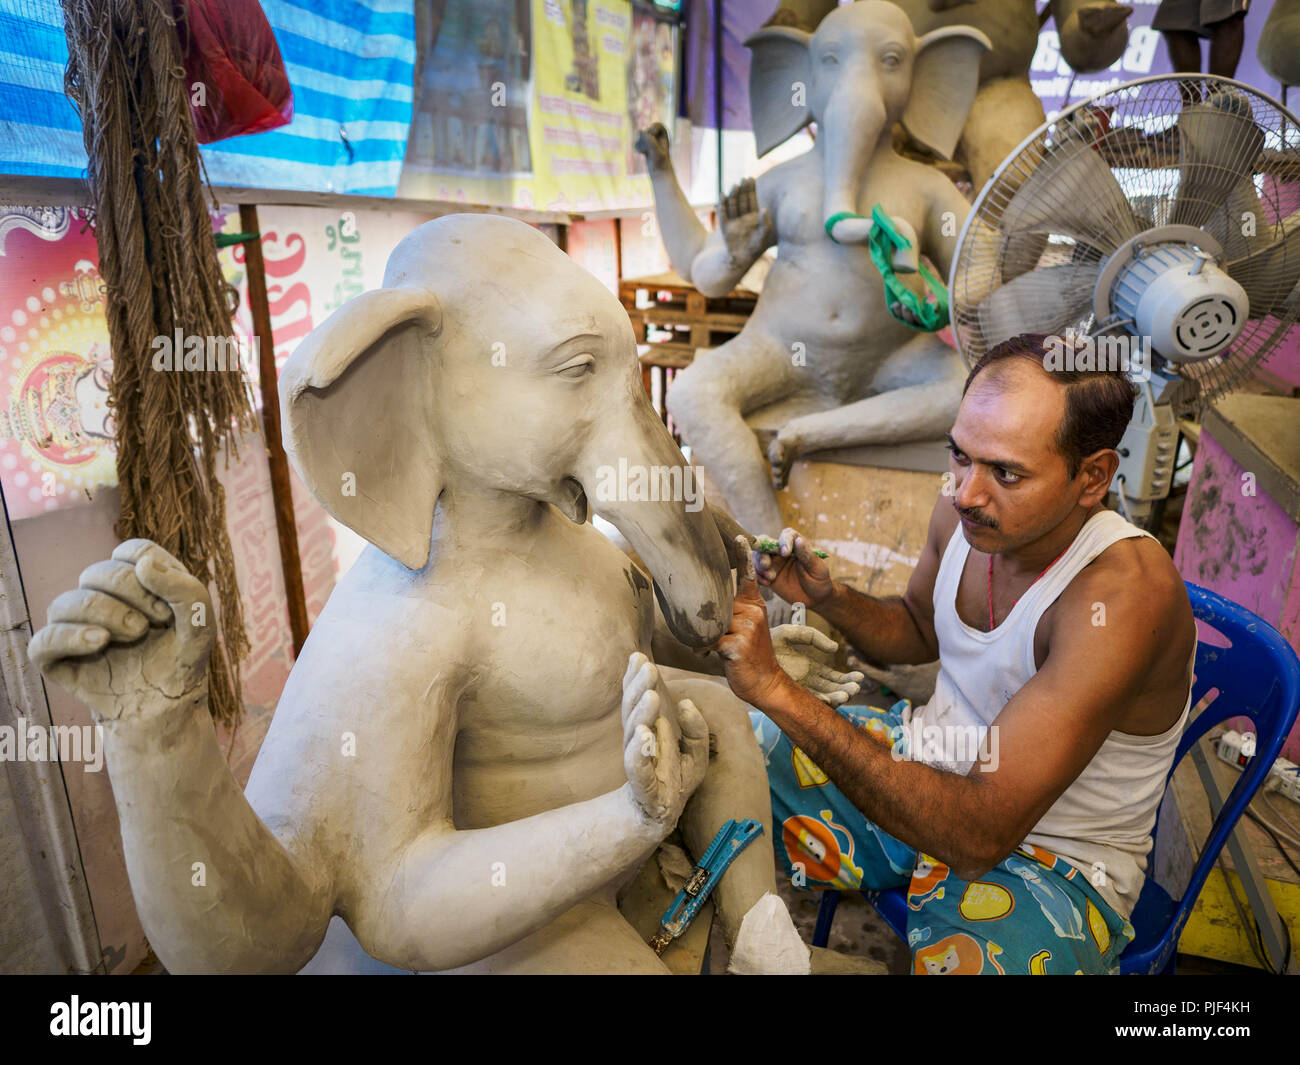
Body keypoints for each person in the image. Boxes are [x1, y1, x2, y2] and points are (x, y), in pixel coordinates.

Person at [714, 333, 1197, 974]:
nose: (967, 491)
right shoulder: (969, 511)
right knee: (721, 749)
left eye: (1005, 472)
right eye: (960, 455)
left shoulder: (1120, 597)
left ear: (1093, 477)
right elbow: (916, 627)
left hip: (1048, 860)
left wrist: (776, 689)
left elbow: (977, 837)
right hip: (927, 760)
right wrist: (830, 597)